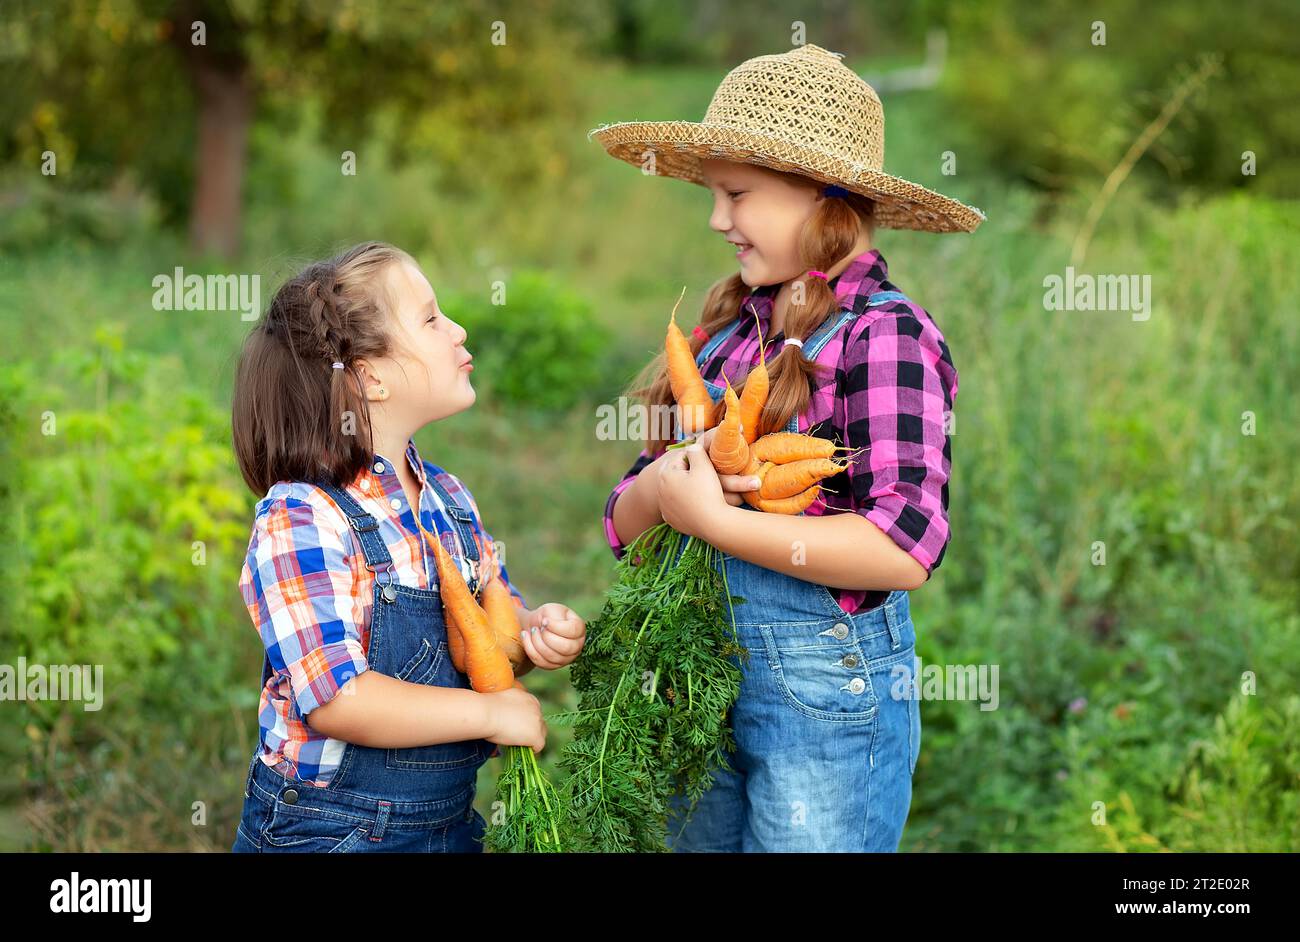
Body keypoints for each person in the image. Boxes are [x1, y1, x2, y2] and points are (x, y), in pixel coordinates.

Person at [591, 44, 984, 851]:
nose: (716, 220)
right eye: (712, 195)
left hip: (824, 697)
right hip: (698, 674)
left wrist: (717, 523)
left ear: (822, 198)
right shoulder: (730, 336)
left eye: (738, 195)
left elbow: (903, 548)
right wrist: (662, 489)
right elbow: (624, 522)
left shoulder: (887, 337)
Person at [228, 241, 586, 853]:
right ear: (370, 378)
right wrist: (488, 717)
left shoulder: (448, 497)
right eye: (430, 318)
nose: (458, 329)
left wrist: (531, 632)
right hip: (329, 831)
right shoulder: (302, 516)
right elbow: (340, 702)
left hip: (445, 822)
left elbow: (488, 644)